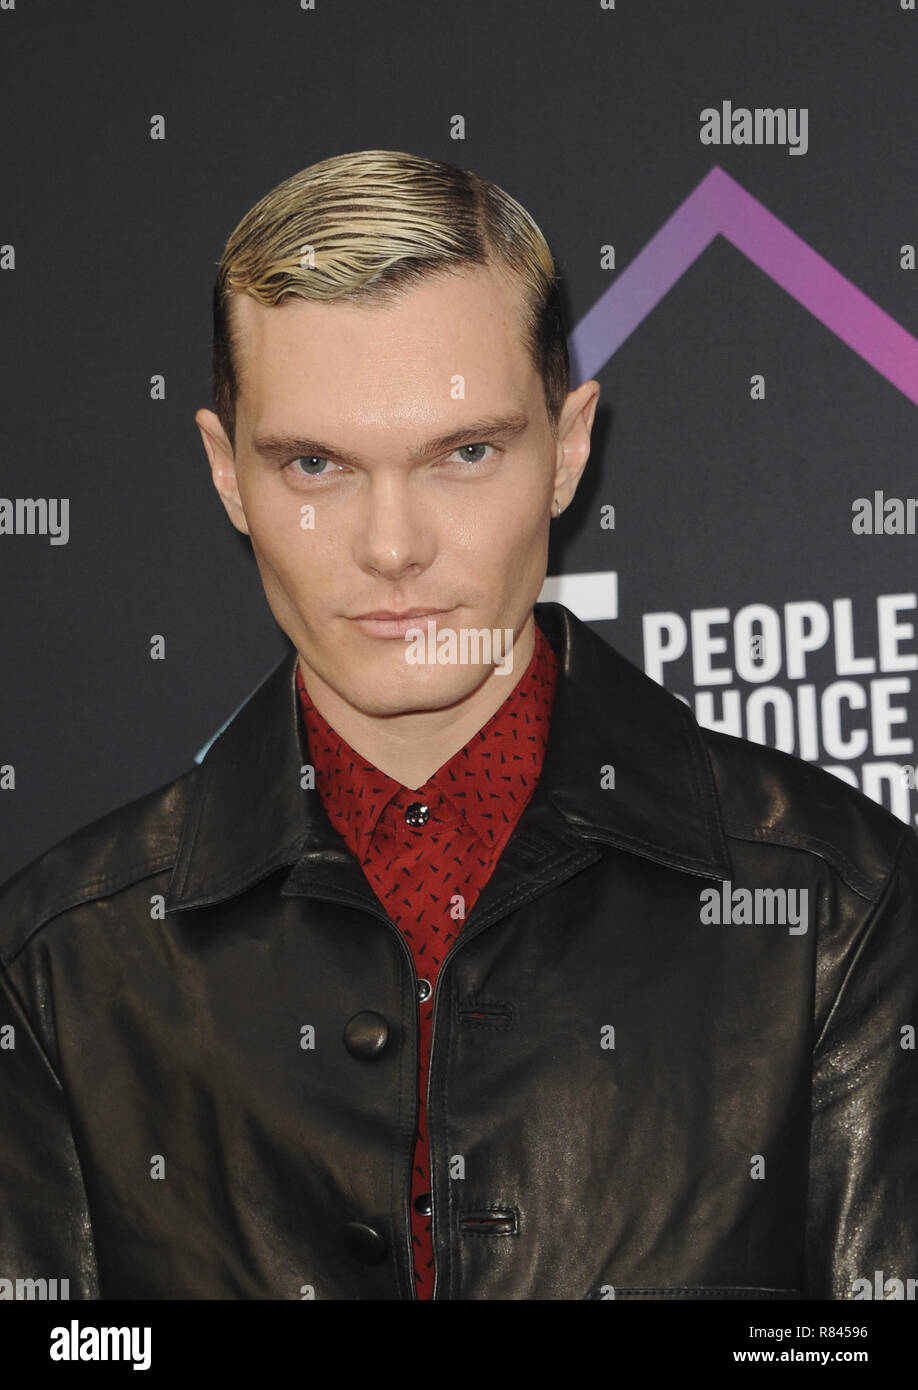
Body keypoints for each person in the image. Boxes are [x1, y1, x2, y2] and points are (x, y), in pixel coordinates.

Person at [0, 149, 915, 1302]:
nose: (392, 549)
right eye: (316, 464)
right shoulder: (52, 965)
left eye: (465, 453)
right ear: (228, 475)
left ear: (569, 448)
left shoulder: (844, 906)